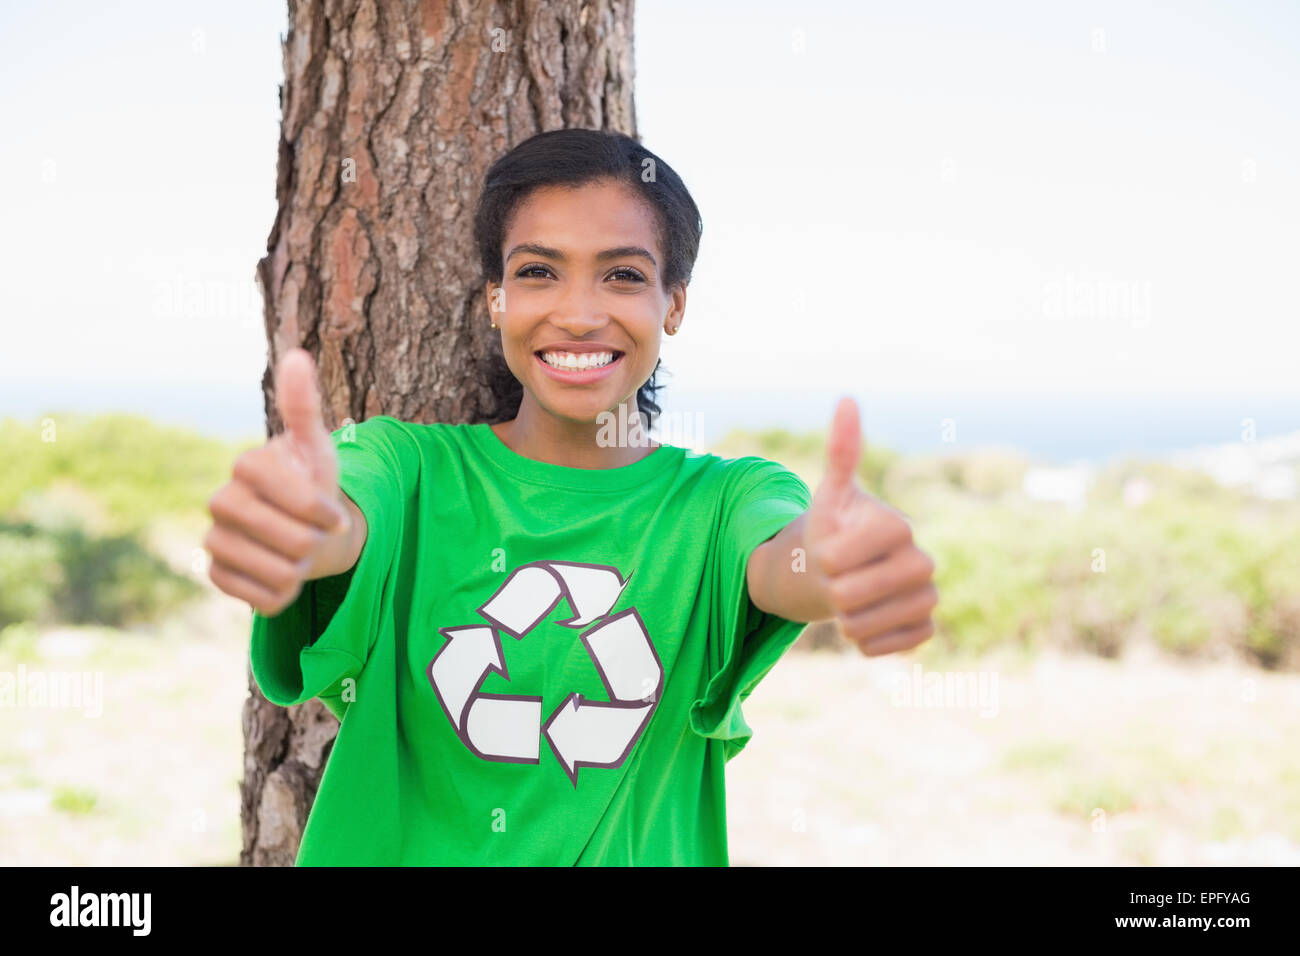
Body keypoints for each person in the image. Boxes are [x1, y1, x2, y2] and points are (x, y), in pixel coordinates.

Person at [204, 128, 937, 865]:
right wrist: (301, 522)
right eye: (538, 273)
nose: (580, 313)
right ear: (496, 298)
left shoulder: (722, 503)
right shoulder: (407, 469)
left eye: (621, 276)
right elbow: (342, 519)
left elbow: (787, 561)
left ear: (673, 304)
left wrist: (845, 559)